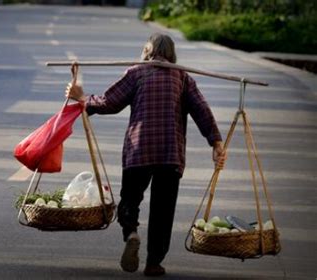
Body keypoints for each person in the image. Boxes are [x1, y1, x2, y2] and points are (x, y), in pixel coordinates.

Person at [65, 33, 227, 277]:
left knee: (130, 199)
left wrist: (82, 99)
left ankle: (131, 233)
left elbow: (109, 102)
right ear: (172, 55)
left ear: (147, 52)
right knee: (163, 210)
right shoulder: (182, 77)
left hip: (139, 150)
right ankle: (154, 263)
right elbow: (202, 110)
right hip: (170, 155)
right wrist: (216, 141)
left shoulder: (136, 73)